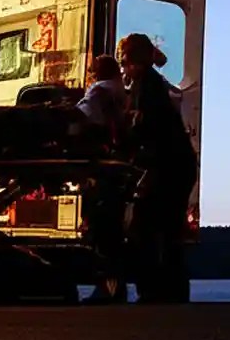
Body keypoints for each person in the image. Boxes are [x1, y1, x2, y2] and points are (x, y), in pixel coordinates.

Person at [119, 33, 198, 304]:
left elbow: (144, 126)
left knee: (146, 225)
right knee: (167, 228)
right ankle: (170, 290)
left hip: (168, 165)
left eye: (125, 62)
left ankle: (154, 289)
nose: (123, 69)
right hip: (177, 164)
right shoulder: (153, 83)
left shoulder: (147, 86)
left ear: (135, 61)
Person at [75, 54, 132, 304]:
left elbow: (80, 116)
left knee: (103, 231)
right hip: (117, 171)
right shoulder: (123, 90)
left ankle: (108, 288)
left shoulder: (100, 91)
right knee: (113, 232)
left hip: (103, 173)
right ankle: (114, 287)